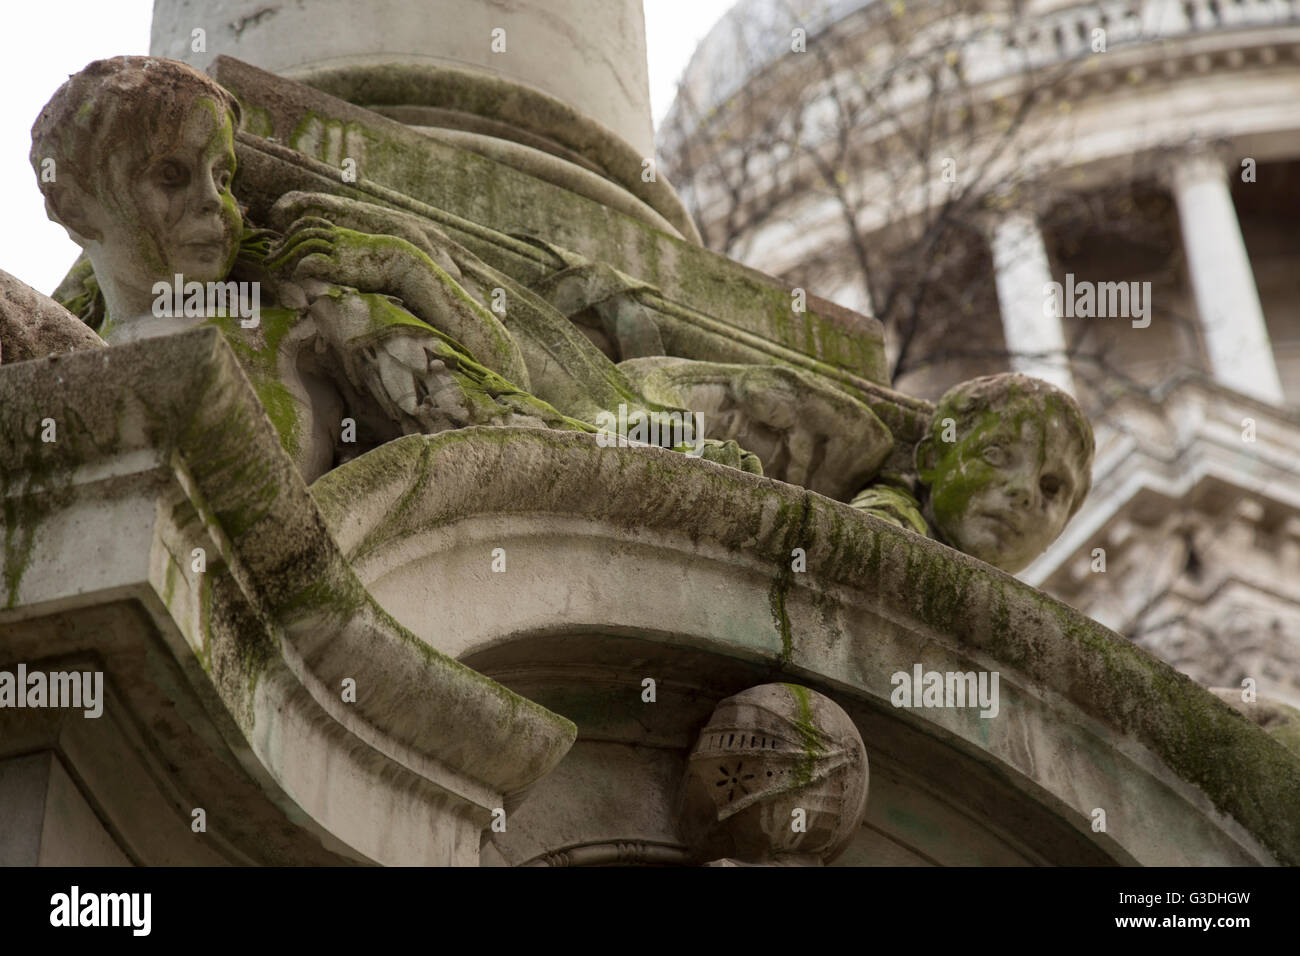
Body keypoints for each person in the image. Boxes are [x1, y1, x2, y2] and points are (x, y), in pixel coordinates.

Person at [851, 373, 1094, 573]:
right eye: (995, 455)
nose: (1025, 490)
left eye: (1051, 487)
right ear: (932, 459)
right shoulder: (879, 526)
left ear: (1060, 530)